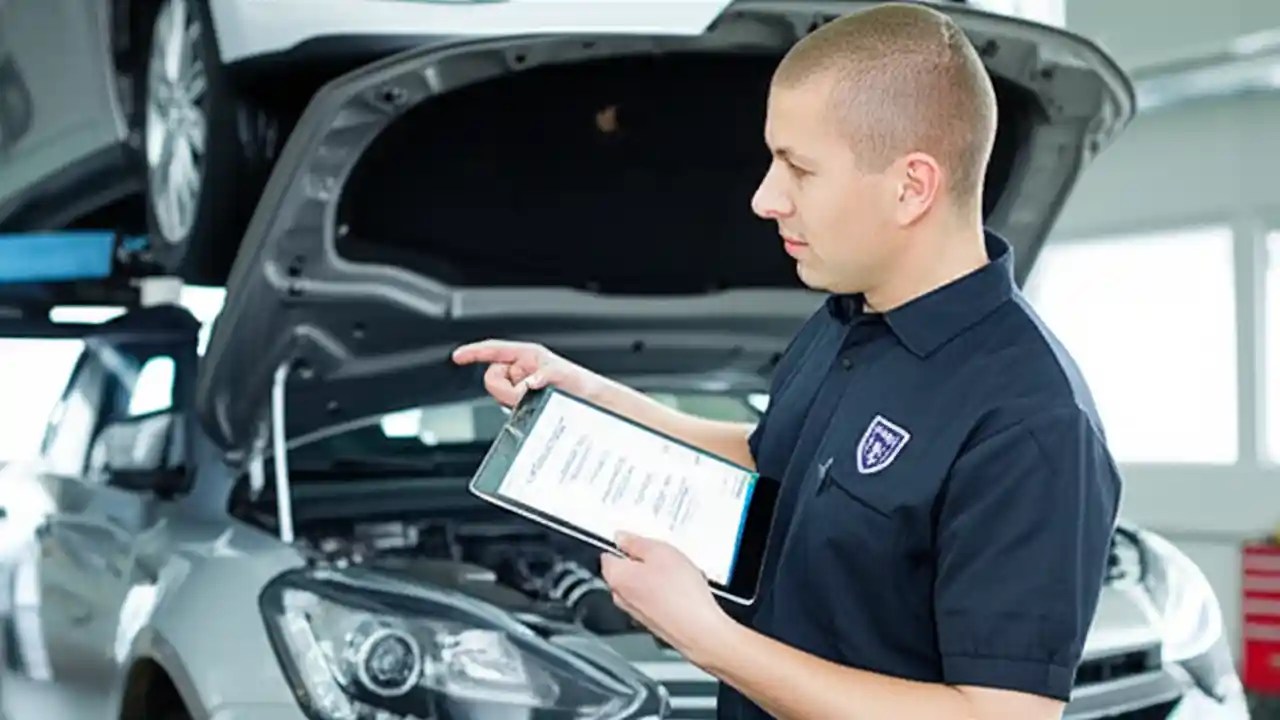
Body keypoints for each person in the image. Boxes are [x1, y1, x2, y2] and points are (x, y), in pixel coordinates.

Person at [451, 3, 1121, 719]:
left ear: (912, 186)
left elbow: (1000, 717)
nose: (764, 198)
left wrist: (708, 638)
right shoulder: (847, 321)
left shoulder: (1033, 423)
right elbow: (775, 460)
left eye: (799, 169)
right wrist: (591, 394)